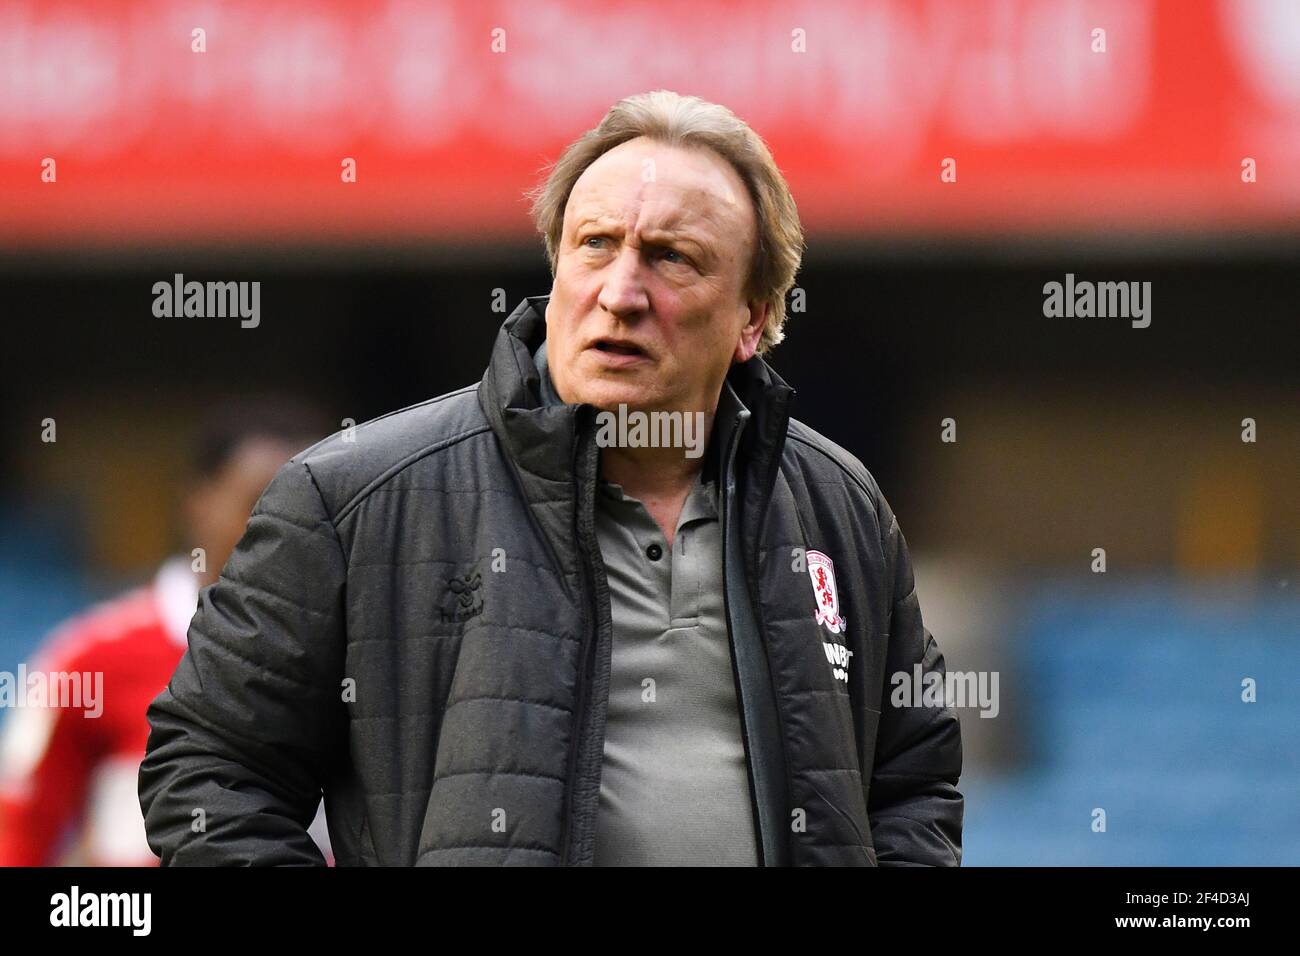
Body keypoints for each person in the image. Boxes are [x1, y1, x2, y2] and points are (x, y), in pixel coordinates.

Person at [139, 90, 963, 866]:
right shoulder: (354, 498)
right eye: (596, 245)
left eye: (671, 258)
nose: (619, 293)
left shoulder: (840, 507)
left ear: (753, 318)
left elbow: (913, 780)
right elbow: (209, 765)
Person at [0, 401, 332, 865]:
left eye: (313, 509)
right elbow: (20, 837)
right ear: (197, 502)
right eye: (261, 501)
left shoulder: (361, 659)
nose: (290, 528)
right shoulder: (92, 656)